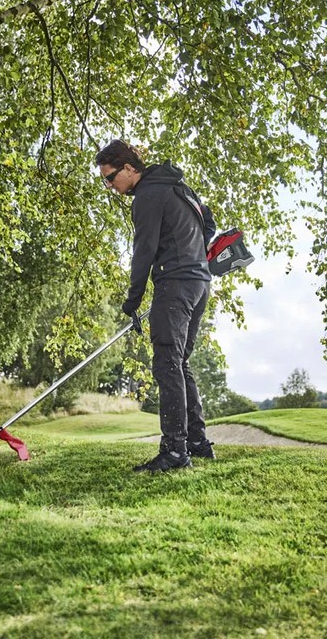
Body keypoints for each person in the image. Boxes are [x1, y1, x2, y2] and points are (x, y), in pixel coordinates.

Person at [95, 139, 217, 473]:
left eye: (111, 177)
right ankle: (197, 443)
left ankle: (175, 452)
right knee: (181, 363)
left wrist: (132, 300)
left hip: (175, 285)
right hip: (199, 284)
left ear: (130, 168)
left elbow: (143, 251)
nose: (109, 186)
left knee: (167, 364)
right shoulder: (180, 187)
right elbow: (209, 225)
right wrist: (193, 254)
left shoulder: (147, 195)